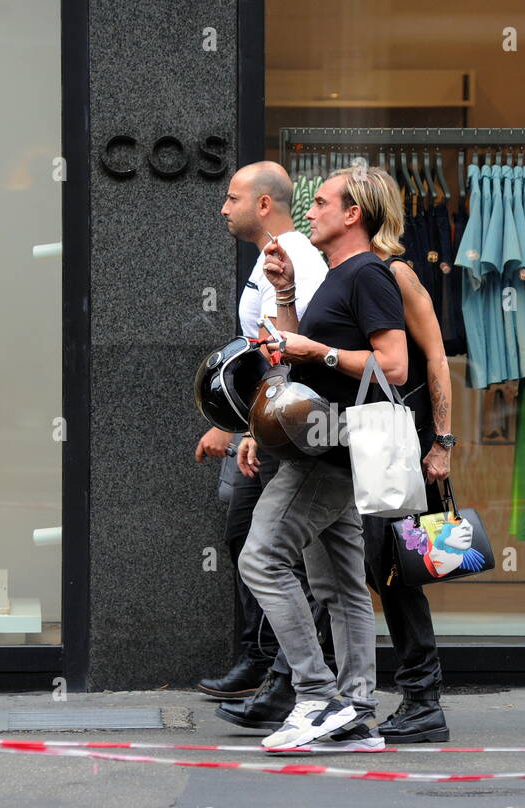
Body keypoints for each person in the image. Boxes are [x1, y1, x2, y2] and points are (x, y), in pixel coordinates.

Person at [219, 168, 457, 742]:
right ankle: (353, 710)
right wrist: (282, 296)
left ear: (353, 214)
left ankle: (317, 697)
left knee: (261, 558)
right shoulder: (337, 275)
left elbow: (394, 366)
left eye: (321, 202)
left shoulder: (371, 274)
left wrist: (317, 350)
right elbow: (296, 357)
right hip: (326, 439)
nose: (311, 211)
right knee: (343, 585)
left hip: (331, 446)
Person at [193, 162, 327, 700]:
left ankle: (280, 671)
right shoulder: (271, 258)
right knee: (246, 537)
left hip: (280, 425)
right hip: (262, 422)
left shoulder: (291, 258)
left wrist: (243, 430)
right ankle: (262, 662)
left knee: (267, 547)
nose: (224, 208)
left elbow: (283, 354)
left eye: (233, 198)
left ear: (264, 204)